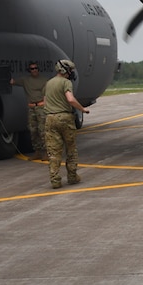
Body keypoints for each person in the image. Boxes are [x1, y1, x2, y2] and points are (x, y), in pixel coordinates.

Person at [43, 58, 89, 189]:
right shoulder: (66, 82)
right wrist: (82, 109)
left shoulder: (48, 83)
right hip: (65, 118)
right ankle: (72, 176)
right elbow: (70, 99)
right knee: (71, 148)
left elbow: (45, 101)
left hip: (50, 118)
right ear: (65, 70)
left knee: (53, 152)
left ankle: (55, 180)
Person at [10, 61, 48, 160]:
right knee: (33, 130)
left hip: (41, 107)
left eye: (36, 68)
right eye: (32, 69)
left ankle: (46, 152)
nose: (34, 70)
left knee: (42, 130)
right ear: (29, 70)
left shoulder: (44, 80)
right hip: (31, 108)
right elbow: (12, 82)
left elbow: (48, 93)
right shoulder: (25, 80)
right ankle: (37, 151)